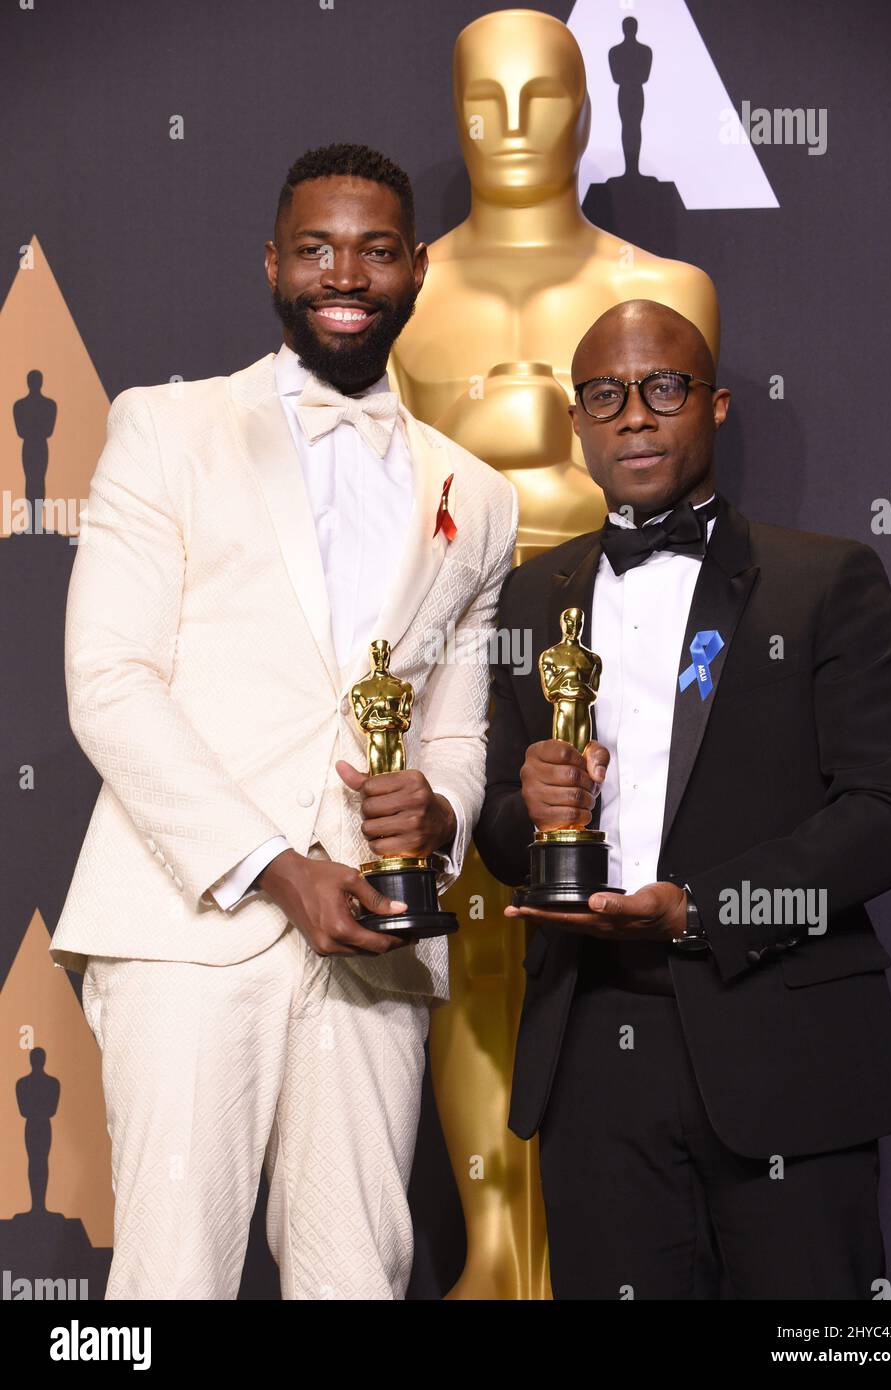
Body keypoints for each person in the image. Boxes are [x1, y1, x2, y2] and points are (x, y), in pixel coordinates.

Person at [51, 143, 518, 1300]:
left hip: (373, 939)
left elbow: (453, 730)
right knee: (172, 1280)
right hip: (189, 922)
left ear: (417, 274)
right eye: (315, 248)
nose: (342, 273)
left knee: (359, 1272)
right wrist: (273, 866)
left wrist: (443, 810)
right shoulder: (165, 428)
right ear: (272, 265)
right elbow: (108, 681)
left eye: (373, 250)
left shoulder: (481, 494)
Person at [474, 298, 891, 1300]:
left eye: (662, 387)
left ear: (714, 405)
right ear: (576, 423)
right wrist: (530, 802)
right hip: (591, 1057)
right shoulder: (528, 597)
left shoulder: (823, 581)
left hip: (783, 1042)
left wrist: (704, 908)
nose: (633, 415)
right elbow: (500, 830)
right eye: (605, 395)